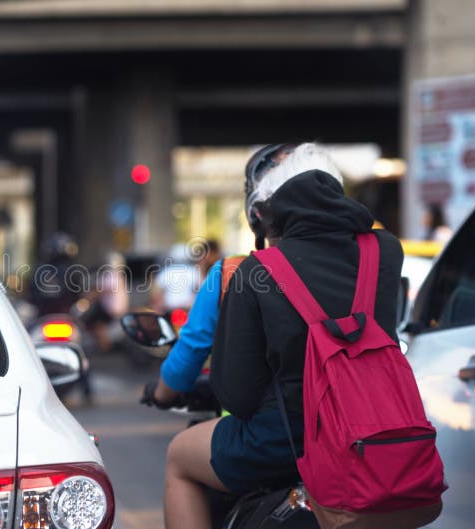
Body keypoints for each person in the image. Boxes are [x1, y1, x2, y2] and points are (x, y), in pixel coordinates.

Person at [159, 143, 404, 529]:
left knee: (178, 458)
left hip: (285, 441)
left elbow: (236, 396)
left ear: (265, 213)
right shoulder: (386, 251)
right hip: (373, 437)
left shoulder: (251, 272)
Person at [141, 144, 295, 408]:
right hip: (358, 434)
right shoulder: (375, 256)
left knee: (179, 450)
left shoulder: (230, 274)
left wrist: (160, 394)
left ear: (256, 213)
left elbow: (189, 354)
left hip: (271, 432)